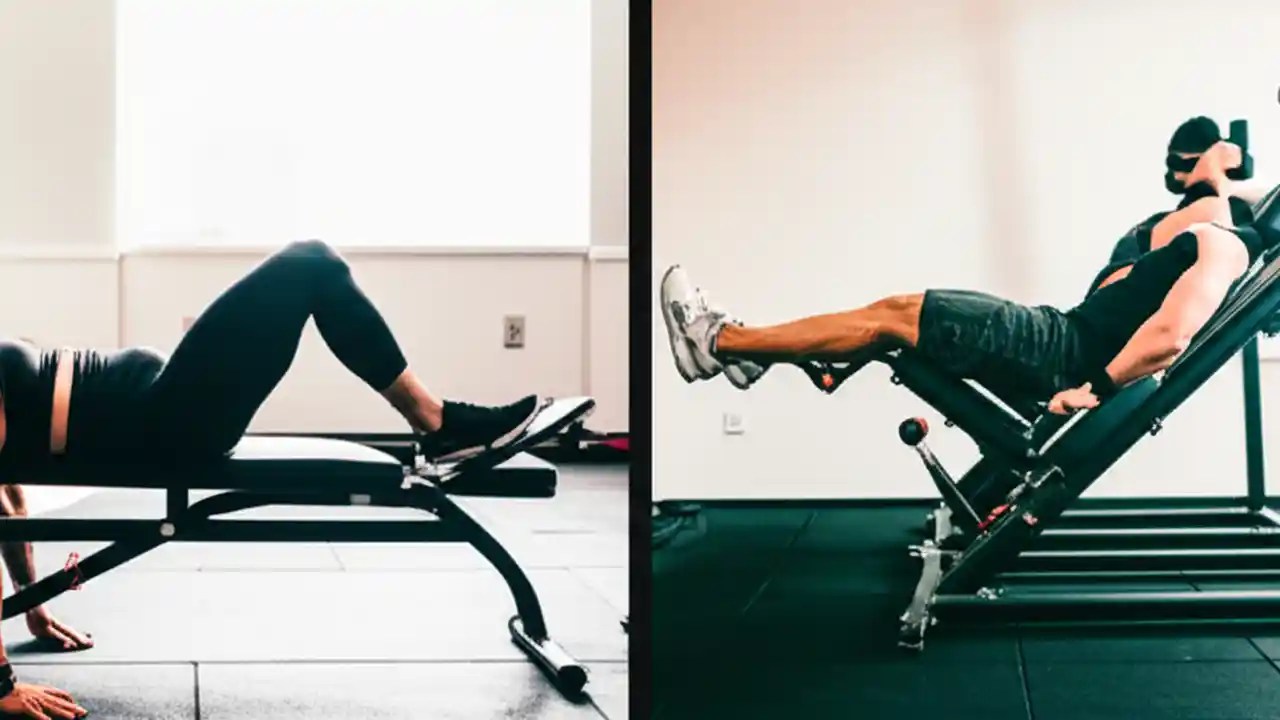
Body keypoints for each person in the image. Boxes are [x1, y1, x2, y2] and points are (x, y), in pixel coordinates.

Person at [0, 239, 546, 719]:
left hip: (165, 411)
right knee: (310, 263)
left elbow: (8, 497)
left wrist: (33, 604)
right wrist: (1, 684)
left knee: (310, 265)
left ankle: (437, 423)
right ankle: (436, 421)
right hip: (166, 424)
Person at [662, 131, 1263, 420]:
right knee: (894, 314)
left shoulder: (1225, 242)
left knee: (898, 314)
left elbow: (1171, 337)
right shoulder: (1209, 238)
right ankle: (755, 352)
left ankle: (717, 342)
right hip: (1054, 335)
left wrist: (1095, 389)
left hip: (1054, 350)